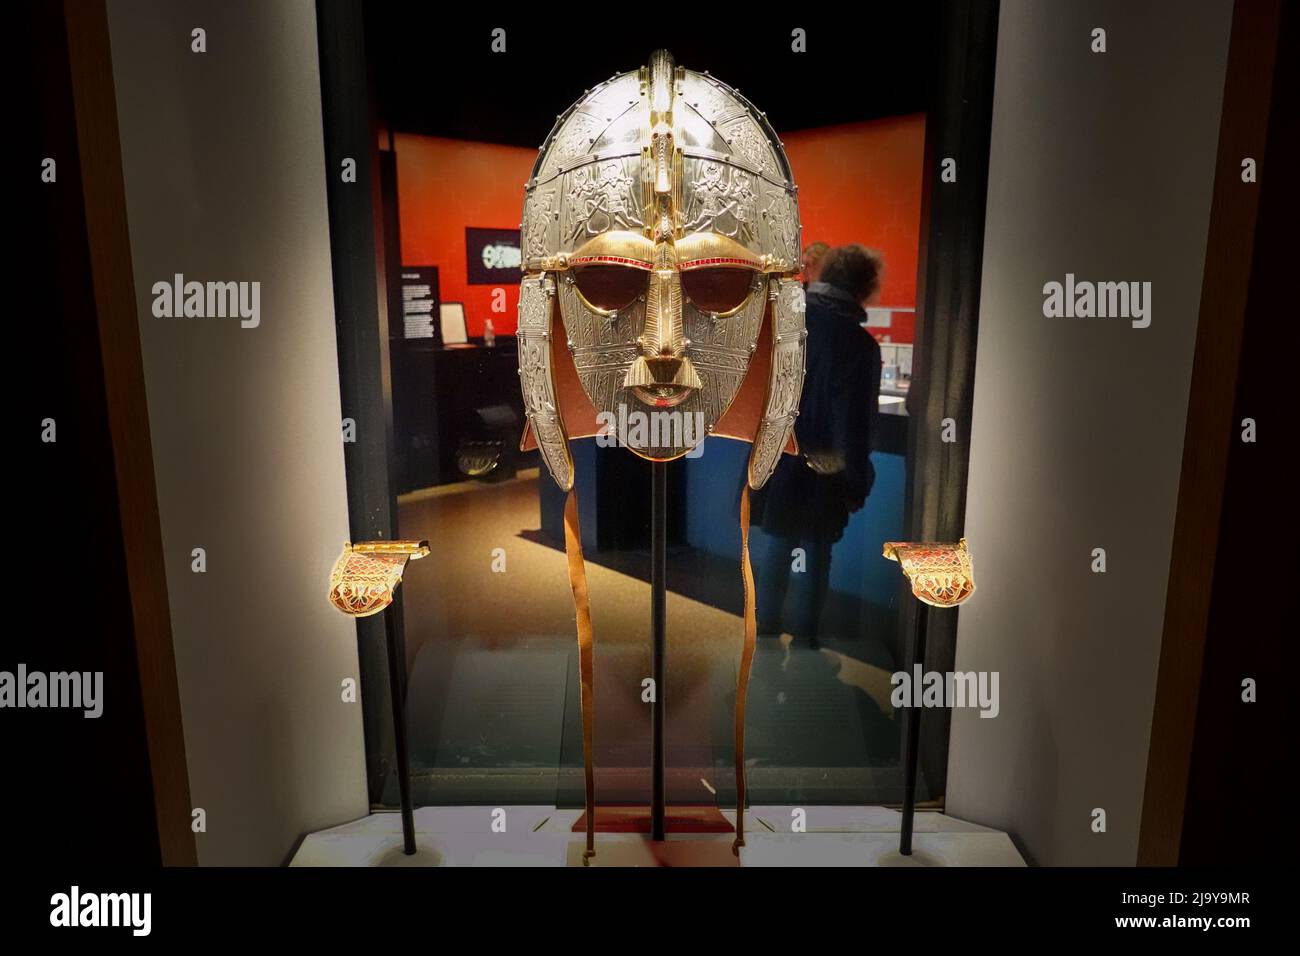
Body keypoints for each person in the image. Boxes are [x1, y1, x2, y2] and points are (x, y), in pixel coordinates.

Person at [751, 244, 884, 649]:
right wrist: (856, 483)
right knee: (815, 555)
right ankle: (805, 643)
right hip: (824, 471)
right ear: (865, 288)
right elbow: (854, 427)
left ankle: (766, 637)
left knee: (777, 547)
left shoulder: (791, 324)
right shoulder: (860, 347)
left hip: (781, 459)